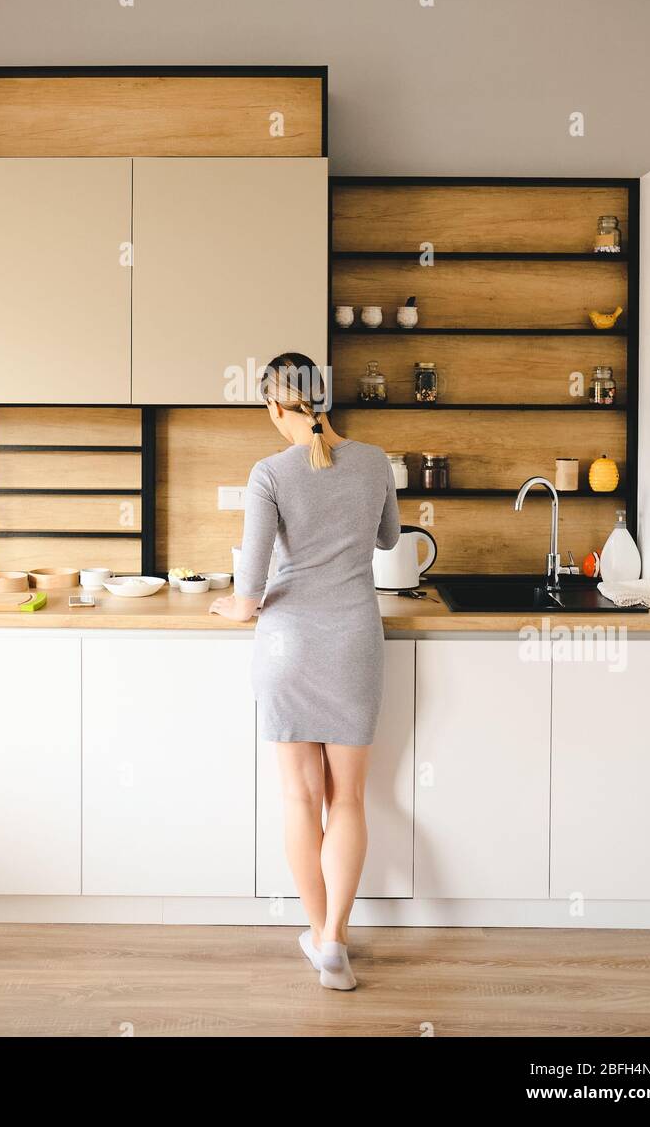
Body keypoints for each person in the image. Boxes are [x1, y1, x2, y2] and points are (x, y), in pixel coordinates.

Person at [210, 352, 400, 990]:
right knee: (349, 798)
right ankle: (335, 944)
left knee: (300, 798)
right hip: (353, 642)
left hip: (289, 646)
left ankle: (318, 937)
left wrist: (228, 605)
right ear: (325, 398)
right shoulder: (375, 462)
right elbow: (390, 540)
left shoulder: (269, 473)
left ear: (274, 406)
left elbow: (249, 591)